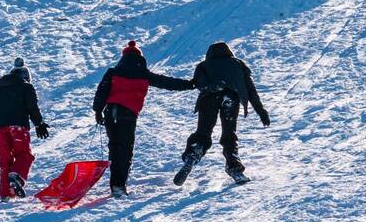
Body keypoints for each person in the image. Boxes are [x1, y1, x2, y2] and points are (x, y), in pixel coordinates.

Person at [92, 41, 194, 197]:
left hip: (111, 112)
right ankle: (119, 186)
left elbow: (102, 90)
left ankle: (116, 185)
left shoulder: (113, 72)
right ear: (140, 58)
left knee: (114, 148)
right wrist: (189, 85)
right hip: (128, 115)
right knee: (125, 150)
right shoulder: (144, 74)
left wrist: (98, 110)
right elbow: (167, 82)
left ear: (123, 57)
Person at [173, 42, 269, 187]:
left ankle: (193, 154)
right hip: (231, 99)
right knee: (229, 134)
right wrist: (261, 111)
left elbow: (199, 84)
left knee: (203, 132)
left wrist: (213, 86)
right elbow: (251, 90)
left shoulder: (204, 65)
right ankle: (235, 168)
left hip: (208, 100)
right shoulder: (238, 64)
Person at [0, 58, 50, 199]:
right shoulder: (26, 87)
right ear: (25, 77)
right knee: (24, 155)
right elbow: (32, 106)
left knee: (5, 161)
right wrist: (39, 124)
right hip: (18, 127)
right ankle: (17, 177)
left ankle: (6, 195)